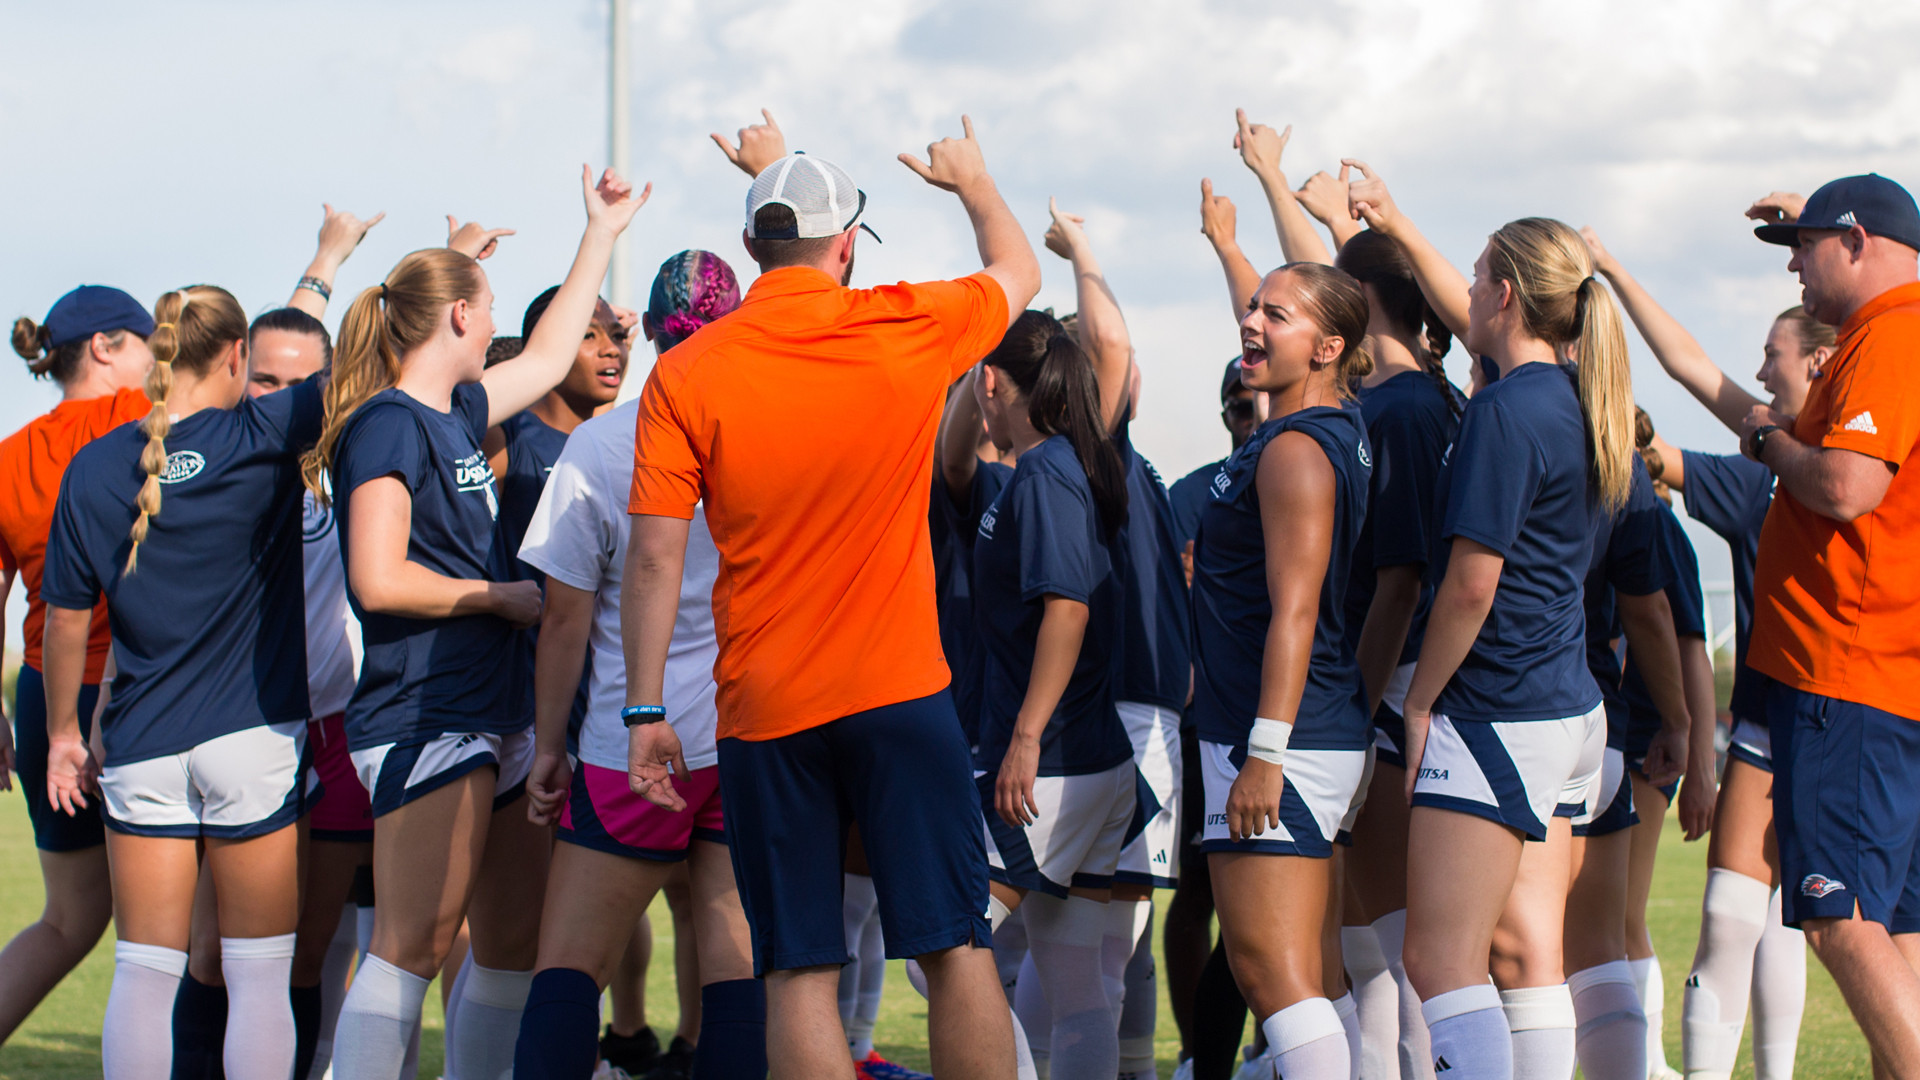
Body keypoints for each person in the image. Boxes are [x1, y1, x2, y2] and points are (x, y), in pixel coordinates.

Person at [621, 113, 1039, 1080]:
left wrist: (644, 711)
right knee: (955, 945)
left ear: (748, 248)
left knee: (798, 971)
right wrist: (973, 183)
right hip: (899, 690)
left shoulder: (686, 372)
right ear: (847, 246)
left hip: (767, 706)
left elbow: (652, 560)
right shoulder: (903, 323)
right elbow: (1018, 269)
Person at [312, 165, 647, 1080]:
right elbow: (378, 580)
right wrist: (498, 598)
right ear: (460, 316)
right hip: (427, 712)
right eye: (490, 303)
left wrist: (600, 232)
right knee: (411, 950)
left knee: (509, 949)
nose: (499, 320)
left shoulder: (456, 413)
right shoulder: (386, 423)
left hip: (495, 709)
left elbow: (546, 354)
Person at [1347, 163, 1639, 1079]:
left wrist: (1420, 700)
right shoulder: (1580, 401)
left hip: (1499, 707)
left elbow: (1471, 585)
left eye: (1476, 276)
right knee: (1523, 955)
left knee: (1442, 963)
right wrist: (1389, 218)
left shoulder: (1506, 411)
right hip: (1566, 710)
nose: (1463, 292)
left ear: (1506, 295)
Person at [39, 284, 322, 1079]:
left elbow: (65, 623)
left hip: (141, 746)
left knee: (143, 972)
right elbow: (377, 361)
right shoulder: (268, 428)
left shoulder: (94, 465)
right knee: (259, 975)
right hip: (253, 739)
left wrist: (62, 736)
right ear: (237, 355)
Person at [509, 249, 762, 1080]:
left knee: (568, 968)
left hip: (633, 736)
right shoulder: (770, 428)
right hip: (747, 732)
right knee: (736, 971)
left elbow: (564, 620)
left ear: (647, 330)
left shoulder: (602, 443)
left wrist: (550, 746)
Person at [1584, 226, 1825, 1080]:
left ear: (1820, 364)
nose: (1758, 372)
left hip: (1860, 719)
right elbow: (1685, 378)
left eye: (1772, 356)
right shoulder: (1757, 474)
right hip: (1766, 716)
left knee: (1832, 923)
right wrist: (1612, 270)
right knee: (1731, 914)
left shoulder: (1874, 461)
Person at [1738, 174, 1920, 1074]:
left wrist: (1770, 440)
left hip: (1850, 670)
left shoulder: (1890, 333)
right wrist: (1809, 224)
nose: (1794, 268)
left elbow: (1847, 487)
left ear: (1857, 242)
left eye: (1806, 249)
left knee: (1838, 917)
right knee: (1897, 933)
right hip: (1892, 678)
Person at [1191, 260, 1374, 1080]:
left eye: (1276, 315)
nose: (1252, 322)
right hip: (1306, 732)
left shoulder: (1298, 448)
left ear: (1328, 347)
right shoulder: (1310, 430)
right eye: (1252, 306)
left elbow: (1294, 612)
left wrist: (1264, 753)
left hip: (1279, 741)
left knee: (1274, 980)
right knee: (1315, 980)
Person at [0, 286, 154, 1045]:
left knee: (67, 918)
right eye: (147, 342)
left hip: (42, 697)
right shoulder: (139, 418)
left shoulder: (9, 456)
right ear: (105, 347)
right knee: (176, 933)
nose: (159, 358)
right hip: (138, 689)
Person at [1613, 461, 1720, 1080]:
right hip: (1616, 733)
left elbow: (1691, 647)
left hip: (1643, 741)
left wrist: (1700, 764)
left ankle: (1650, 1065)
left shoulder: (1657, 525)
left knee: (1622, 917)